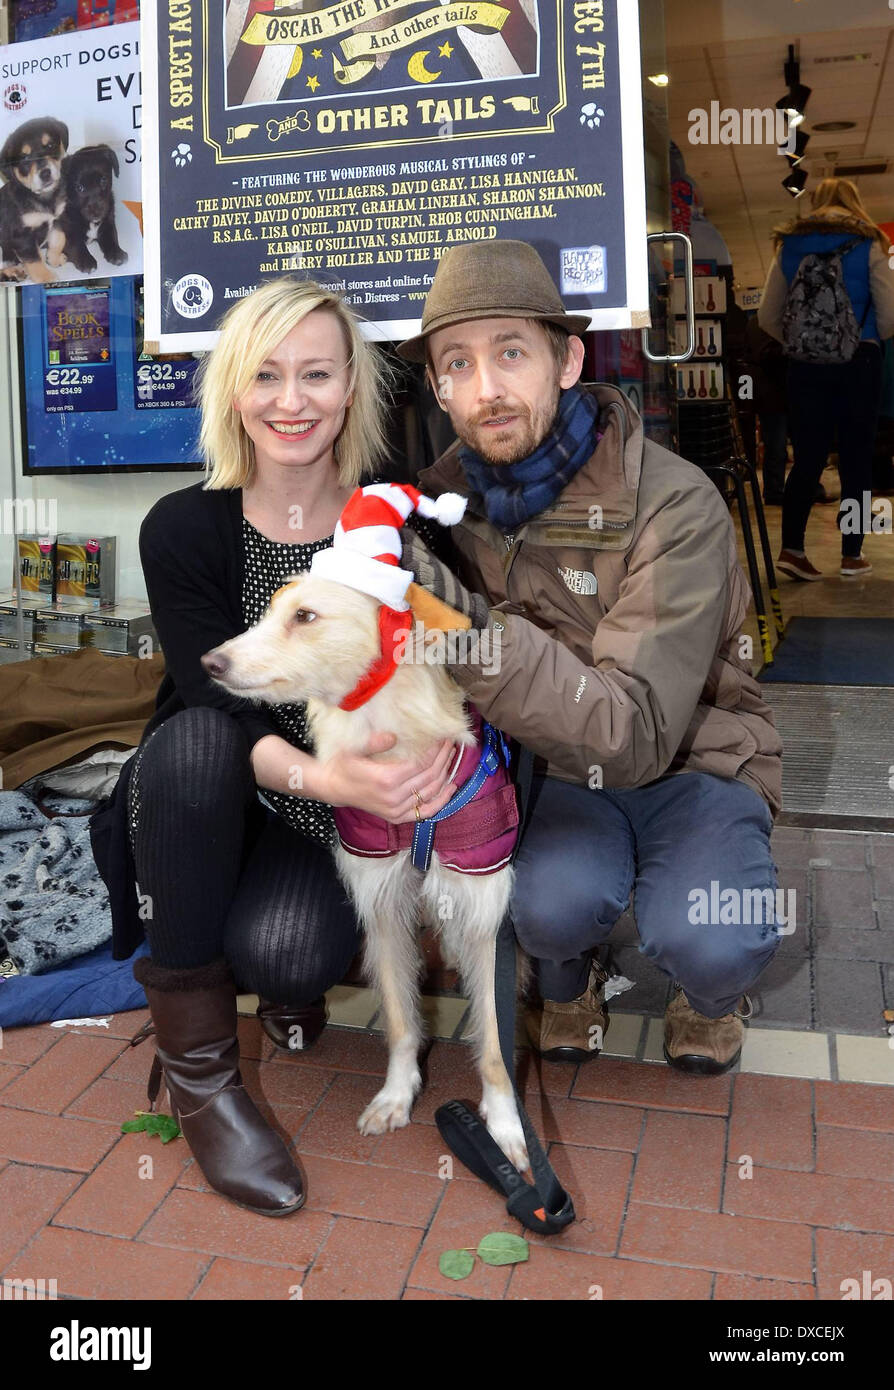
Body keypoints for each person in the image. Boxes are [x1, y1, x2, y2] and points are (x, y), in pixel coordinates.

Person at [89, 279, 458, 1216]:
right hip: (205, 792)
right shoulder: (181, 526)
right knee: (197, 740)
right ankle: (204, 1081)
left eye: (316, 375)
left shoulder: (389, 529)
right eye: (266, 375)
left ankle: (267, 974)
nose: (291, 401)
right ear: (234, 392)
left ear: (351, 391)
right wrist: (325, 772)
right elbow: (215, 694)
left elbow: (446, 668)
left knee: (289, 956)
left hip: (326, 814)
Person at [396, 239, 784, 1076]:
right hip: (556, 775)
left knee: (712, 933)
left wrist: (459, 628)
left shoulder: (675, 502)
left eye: (511, 353)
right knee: (544, 902)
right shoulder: (436, 509)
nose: (487, 388)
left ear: (567, 359)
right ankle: (572, 977)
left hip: (694, 761)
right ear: (436, 386)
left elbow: (635, 732)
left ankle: (712, 993)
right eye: (457, 363)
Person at [758, 178, 894, 580]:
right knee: (856, 460)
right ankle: (851, 555)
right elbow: (889, 312)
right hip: (859, 363)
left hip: (805, 368)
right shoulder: (871, 244)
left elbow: (767, 315)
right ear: (854, 202)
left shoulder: (788, 246)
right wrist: (863, 337)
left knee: (809, 458)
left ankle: (793, 550)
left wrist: (804, 342)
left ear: (814, 204)